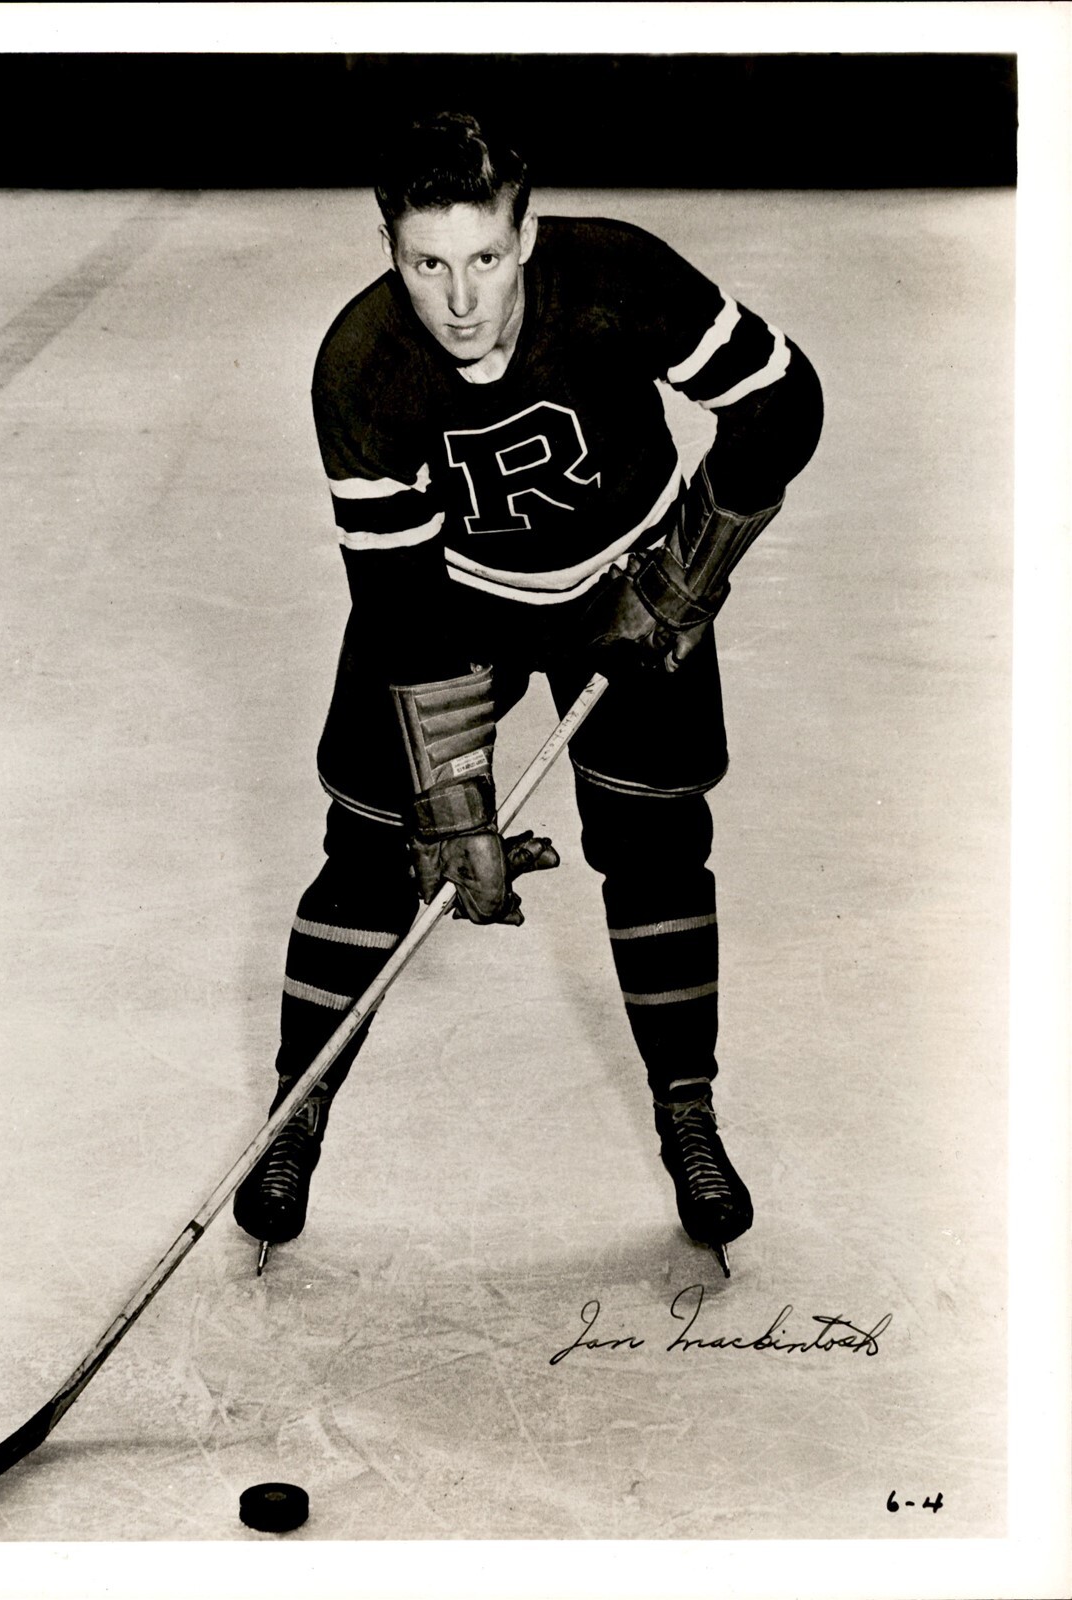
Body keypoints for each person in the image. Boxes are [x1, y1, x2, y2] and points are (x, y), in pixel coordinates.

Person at [233, 110, 823, 1274]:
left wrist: (684, 573)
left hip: (633, 582)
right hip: (453, 603)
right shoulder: (358, 368)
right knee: (370, 849)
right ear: (388, 248)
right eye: (426, 264)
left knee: (654, 845)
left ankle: (686, 1114)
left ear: (527, 234)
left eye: (485, 257)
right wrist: (452, 803)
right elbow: (399, 606)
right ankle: (296, 1108)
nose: (459, 299)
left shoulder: (618, 275)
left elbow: (780, 400)